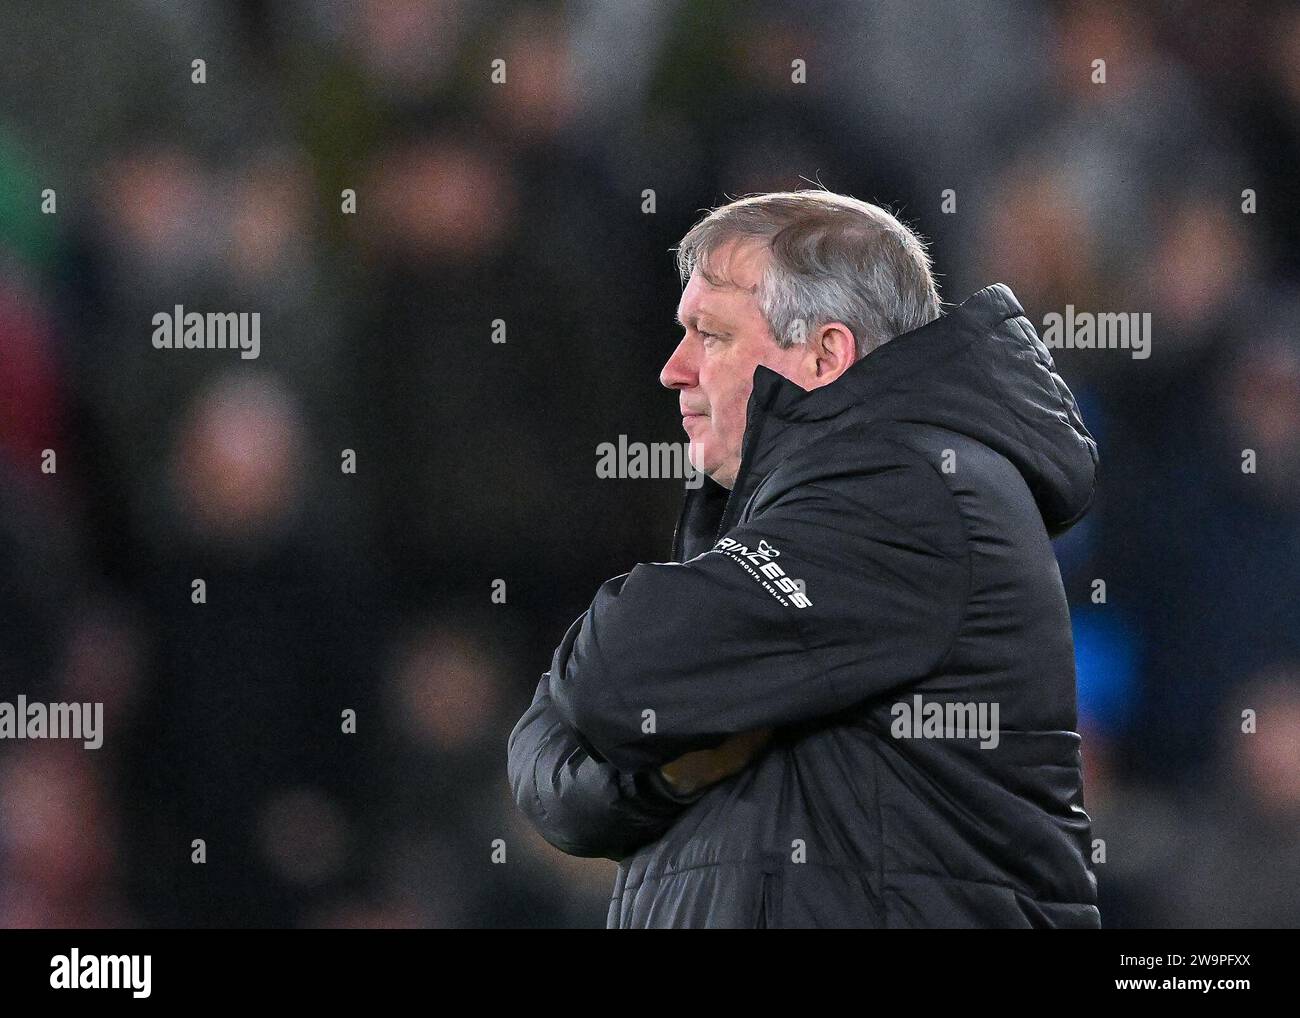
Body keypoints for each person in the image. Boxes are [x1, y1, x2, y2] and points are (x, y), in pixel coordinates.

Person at [507, 190, 1101, 928]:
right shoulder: (782, 510)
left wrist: (642, 728)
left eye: (710, 336)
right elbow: (549, 772)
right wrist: (664, 772)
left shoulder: (914, 488)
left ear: (825, 354)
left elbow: (616, 675)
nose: (673, 369)